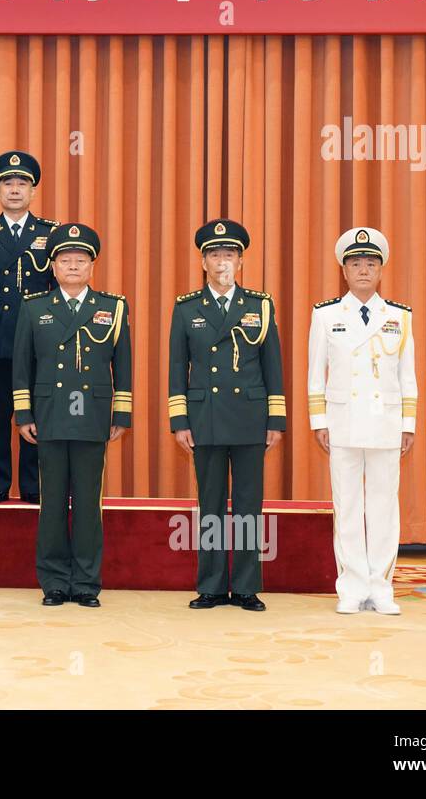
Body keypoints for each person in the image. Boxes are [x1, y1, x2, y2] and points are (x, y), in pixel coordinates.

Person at [168, 219, 285, 612]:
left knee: (249, 504)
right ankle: (213, 585)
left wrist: (276, 419)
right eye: (215, 254)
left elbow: (273, 366)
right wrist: (180, 420)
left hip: (250, 416)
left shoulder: (259, 305)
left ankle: (248, 586)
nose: (222, 261)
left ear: (240, 262)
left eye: (229, 254)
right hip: (206, 418)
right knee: (212, 503)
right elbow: (176, 368)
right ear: (203, 261)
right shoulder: (186, 308)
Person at [12, 223, 131, 607]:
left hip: (93, 415)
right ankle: (54, 582)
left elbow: (124, 366)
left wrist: (122, 413)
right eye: (66, 259)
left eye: (81, 260)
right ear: (53, 266)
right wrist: (23, 412)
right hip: (48, 415)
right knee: (51, 504)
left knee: (86, 504)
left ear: (92, 266)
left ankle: (85, 582)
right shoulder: (34, 307)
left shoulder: (112, 308)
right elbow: (21, 367)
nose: (74, 265)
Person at [308, 227, 416, 616]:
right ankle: (352, 585)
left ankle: (381, 586)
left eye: (371, 263)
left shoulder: (399, 317)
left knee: (384, 507)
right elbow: (315, 373)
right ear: (344, 270)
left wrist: (408, 424)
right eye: (356, 263)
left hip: (386, 422)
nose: (364, 270)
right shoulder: (326, 315)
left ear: (381, 270)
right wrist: (319, 420)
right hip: (343, 422)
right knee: (348, 505)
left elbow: (408, 375)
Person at [0, 151, 57, 504]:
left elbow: (57, 287)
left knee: (35, 412)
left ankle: (33, 486)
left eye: (22, 183)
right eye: (8, 183)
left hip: (38, 338)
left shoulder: (48, 232)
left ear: (33, 191)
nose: (15, 189)